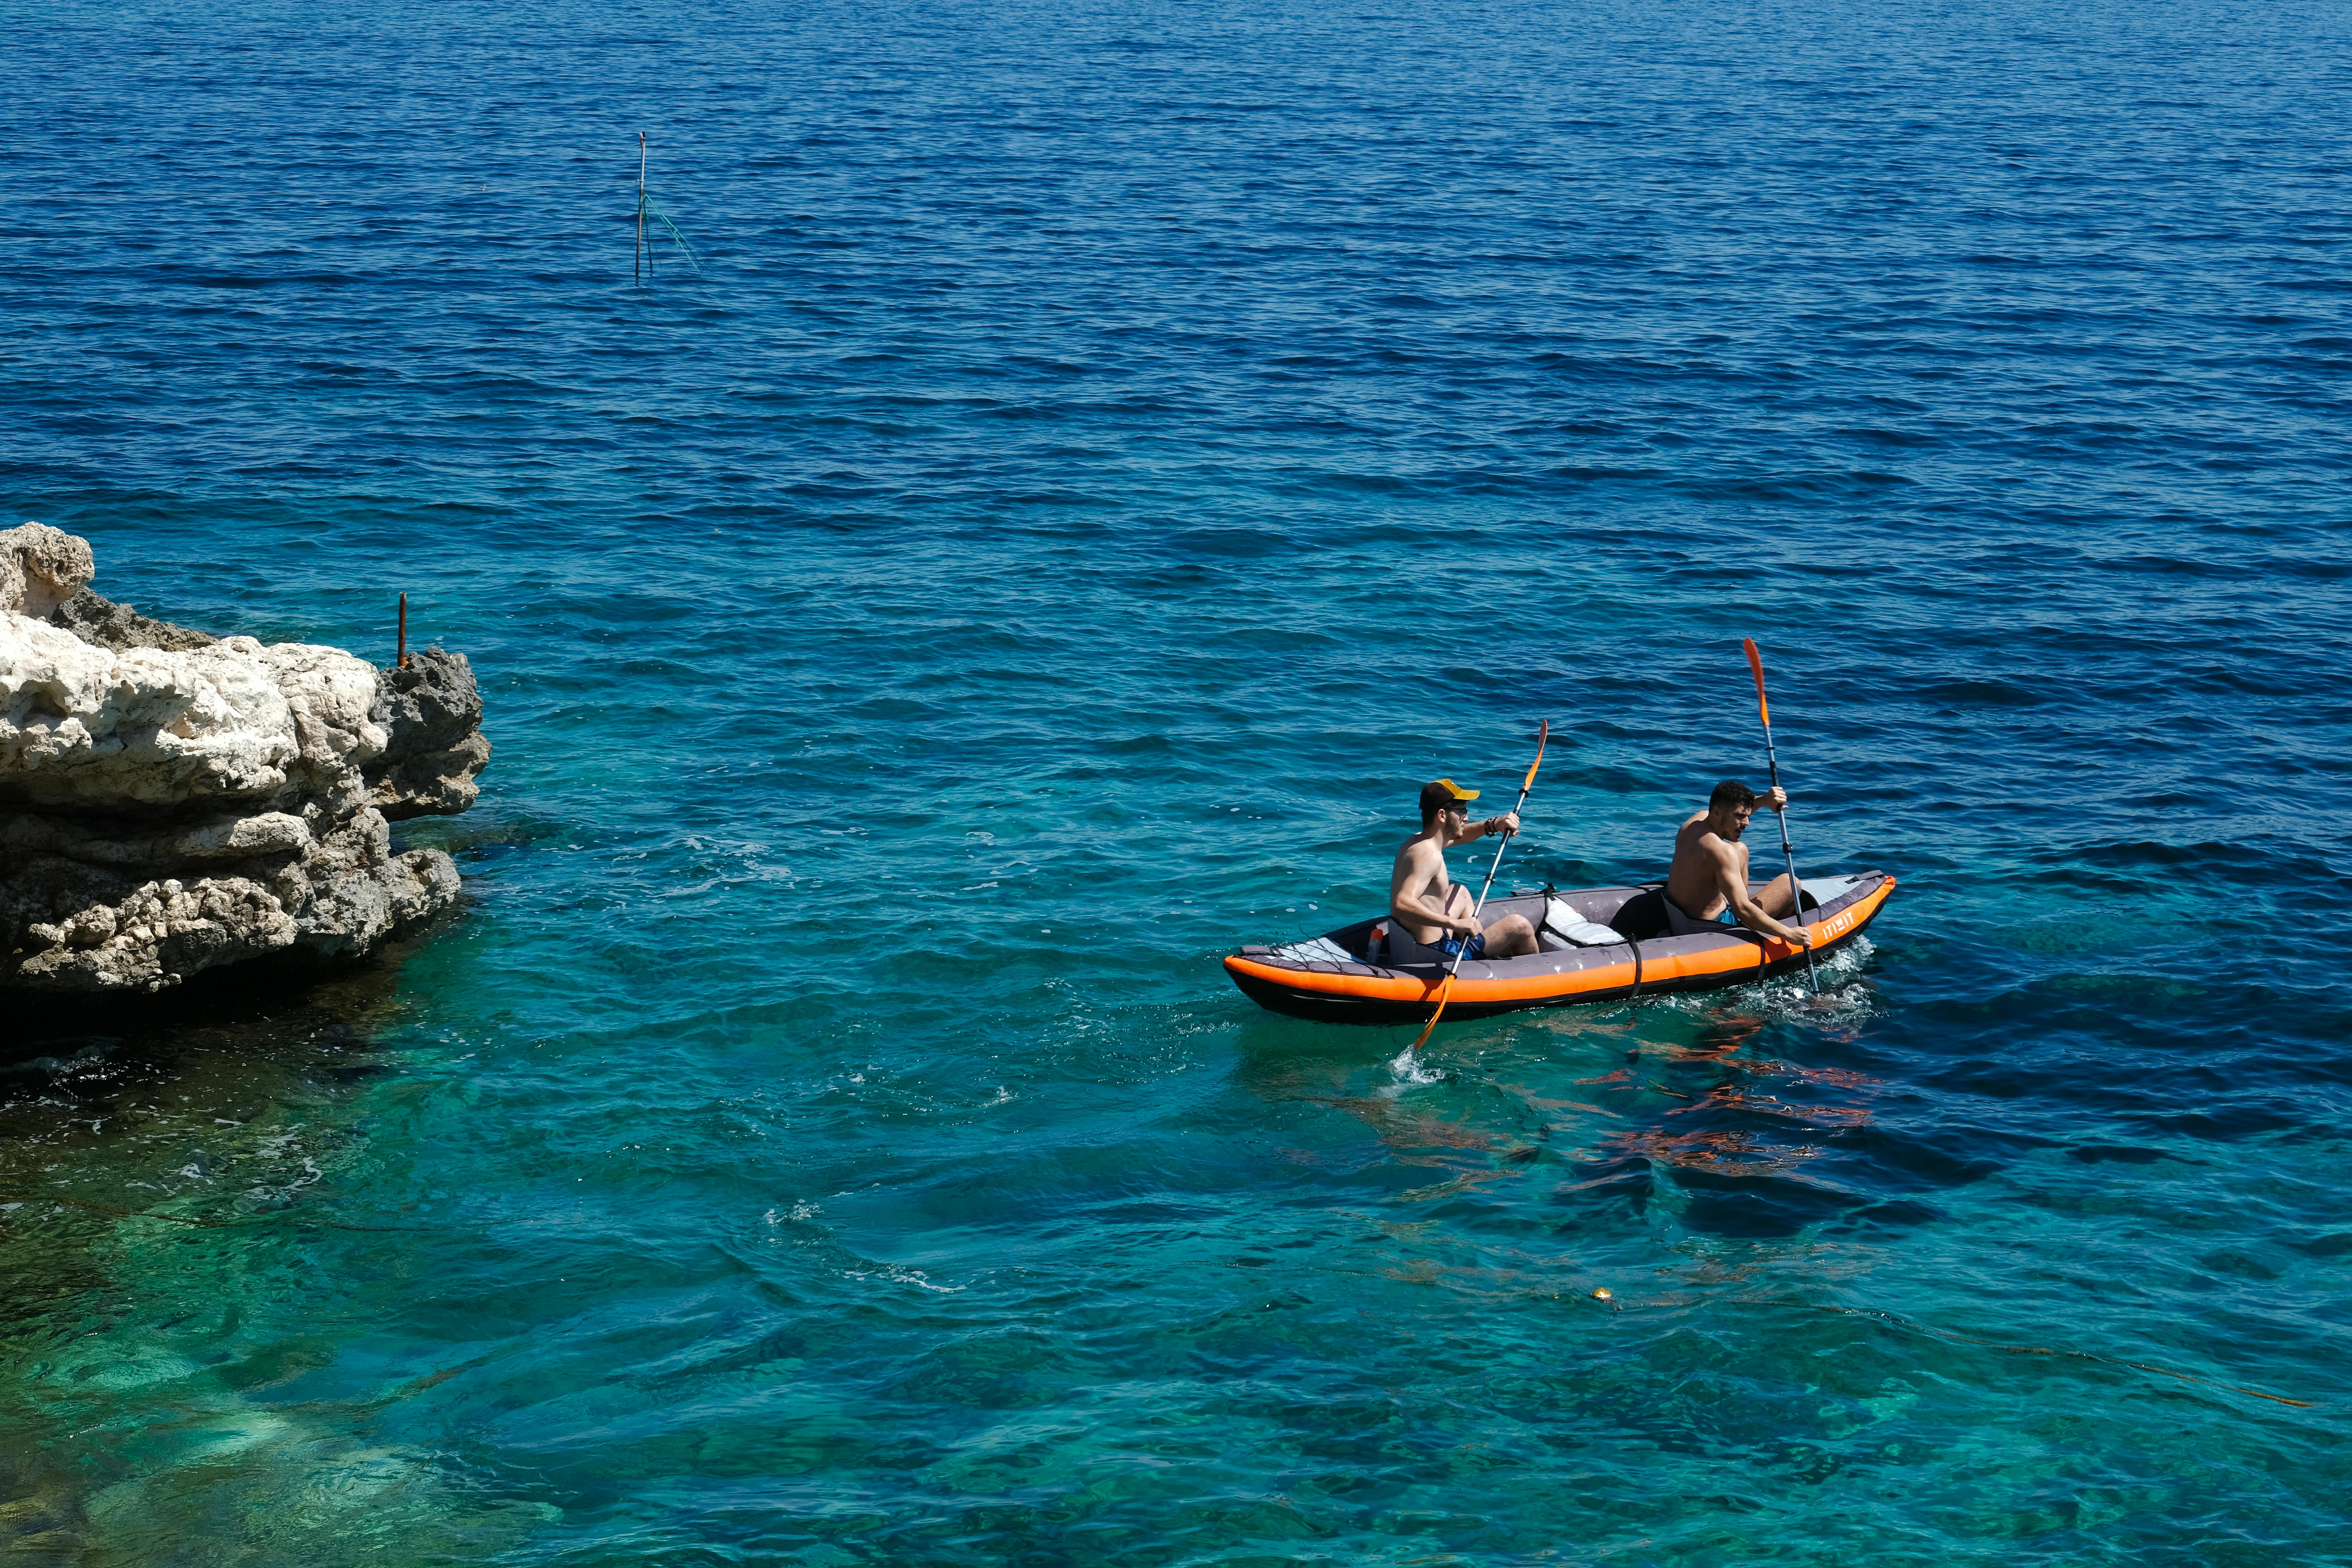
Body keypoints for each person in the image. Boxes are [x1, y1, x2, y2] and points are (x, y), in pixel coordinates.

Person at [1386, 778, 1540, 962]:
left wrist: (1493, 825)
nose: (1466, 818)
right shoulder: (1429, 856)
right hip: (1433, 953)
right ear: (1442, 815)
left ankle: (1479, 951)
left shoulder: (1419, 842)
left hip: (1411, 944)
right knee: (1519, 925)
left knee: (1460, 891)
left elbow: (1460, 836)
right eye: (1462, 812)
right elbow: (1402, 903)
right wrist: (1454, 923)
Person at [1662, 780, 1812, 945]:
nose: (1747, 823)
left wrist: (1764, 800)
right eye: (1741, 817)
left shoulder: (1694, 823)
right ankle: (1765, 937)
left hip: (1679, 919)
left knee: (1740, 849)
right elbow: (1742, 910)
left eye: (1747, 816)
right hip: (1709, 927)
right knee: (1791, 884)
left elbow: (1730, 811)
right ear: (1717, 813)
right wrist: (1789, 933)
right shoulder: (1721, 852)